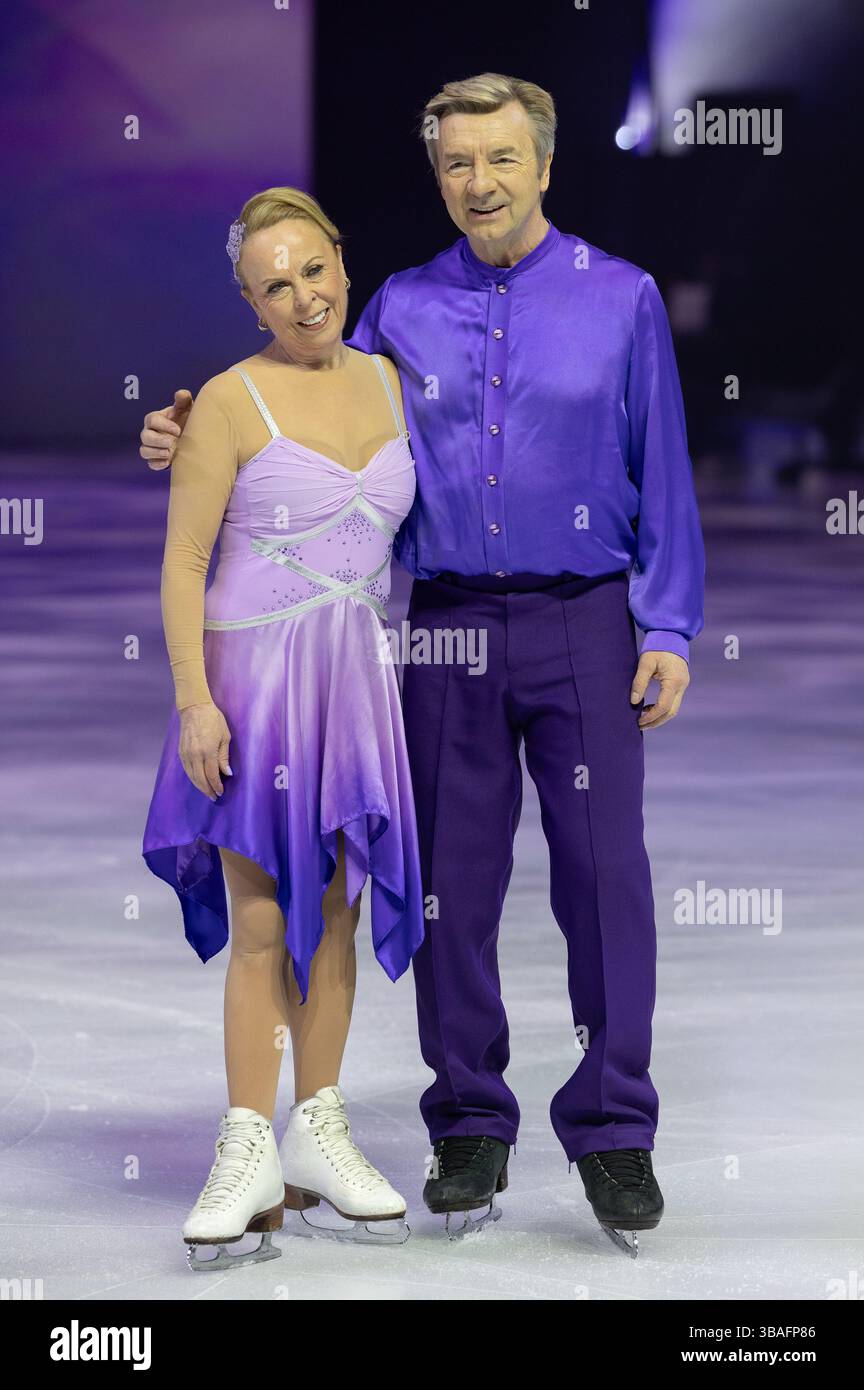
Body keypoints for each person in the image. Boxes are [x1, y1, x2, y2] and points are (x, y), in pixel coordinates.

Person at [141, 73, 706, 1256]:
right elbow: (310, 413)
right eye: (457, 163)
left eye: (500, 159)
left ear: (543, 165)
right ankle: (468, 1119)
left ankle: (611, 1129)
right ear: (437, 175)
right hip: (442, 624)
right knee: (452, 879)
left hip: (584, 620)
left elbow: (665, 462)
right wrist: (185, 432)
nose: (478, 182)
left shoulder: (622, 299)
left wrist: (667, 625)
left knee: (603, 876)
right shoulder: (395, 305)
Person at [141, 186, 425, 1269]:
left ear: (341, 262)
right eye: (273, 285)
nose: (301, 297)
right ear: (248, 299)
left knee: (338, 915)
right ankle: (246, 1141)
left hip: (354, 681)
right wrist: (192, 700)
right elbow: (181, 562)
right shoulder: (225, 399)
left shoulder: (392, 378)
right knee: (263, 919)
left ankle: (319, 1127)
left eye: (312, 270)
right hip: (251, 685)